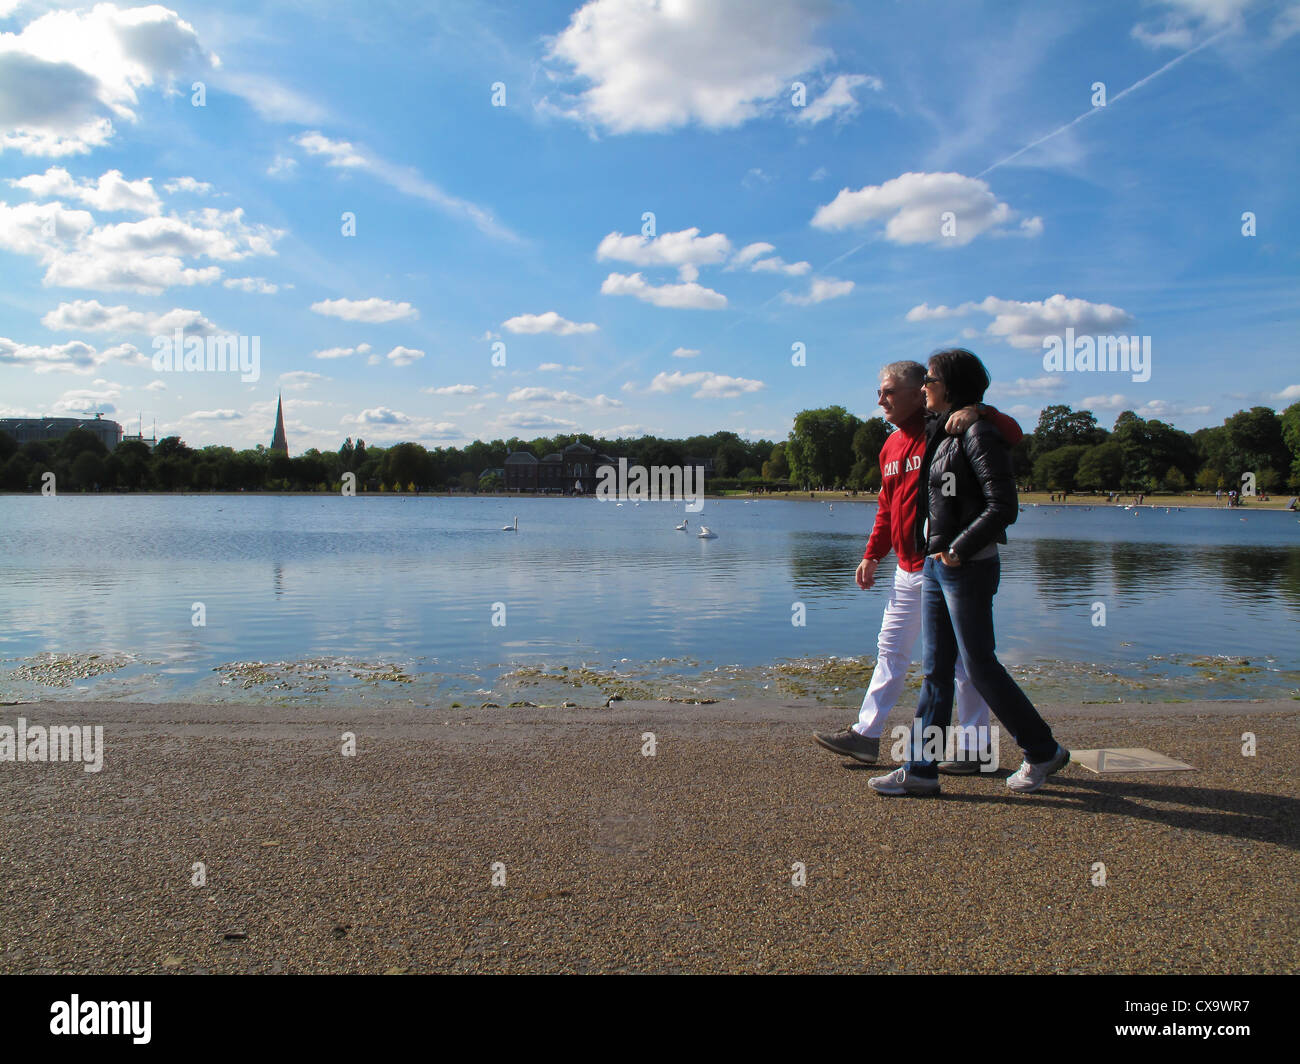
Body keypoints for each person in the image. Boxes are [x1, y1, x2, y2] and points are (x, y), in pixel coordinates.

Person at [867, 349, 1069, 797]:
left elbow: (1004, 508)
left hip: (966, 567)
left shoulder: (978, 432)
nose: (923, 388)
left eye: (931, 381)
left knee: (979, 668)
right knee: (936, 672)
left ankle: (1042, 750)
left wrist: (958, 549)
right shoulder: (939, 430)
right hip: (937, 566)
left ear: (951, 387)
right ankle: (921, 769)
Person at [813, 360, 1024, 773]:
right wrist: (872, 554)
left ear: (917, 392)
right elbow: (887, 508)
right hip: (908, 568)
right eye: (879, 391)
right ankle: (866, 736)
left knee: (962, 663)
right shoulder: (890, 446)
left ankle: (976, 747)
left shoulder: (945, 428)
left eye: (889, 391)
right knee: (891, 649)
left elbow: (1011, 434)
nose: (880, 400)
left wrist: (982, 411)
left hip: (946, 563)